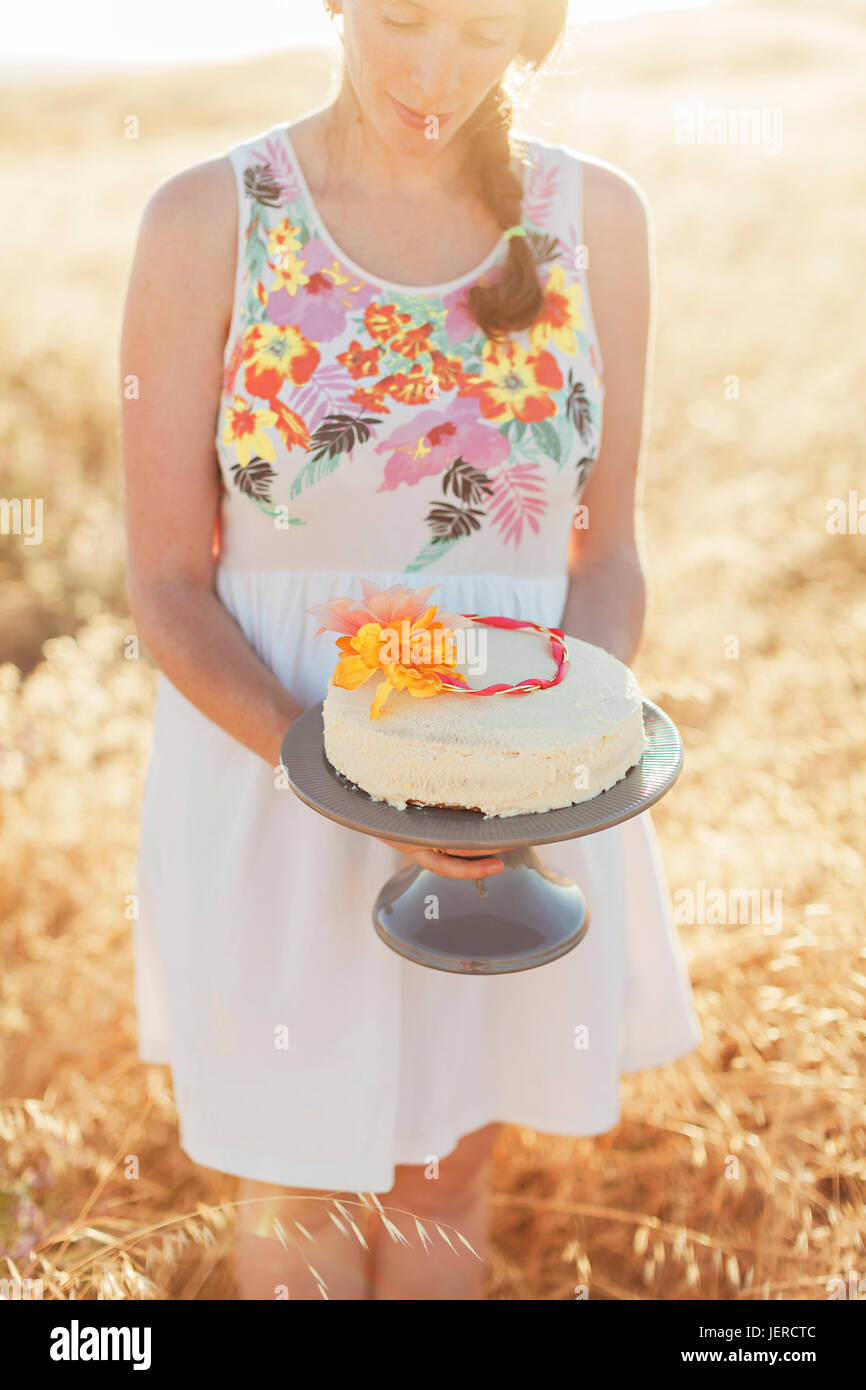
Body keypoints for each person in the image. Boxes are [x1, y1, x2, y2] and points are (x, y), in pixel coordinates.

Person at [120, 0, 701, 1301]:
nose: (434, 71)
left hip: (513, 803)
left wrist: (546, 783)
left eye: (485, 35)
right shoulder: (209, 218)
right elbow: (163, 583)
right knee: (301, 1177)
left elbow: (603, 559)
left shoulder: (593, 219)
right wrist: (337, 771)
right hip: (271, 779)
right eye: (401, 18)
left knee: (446, 1172)